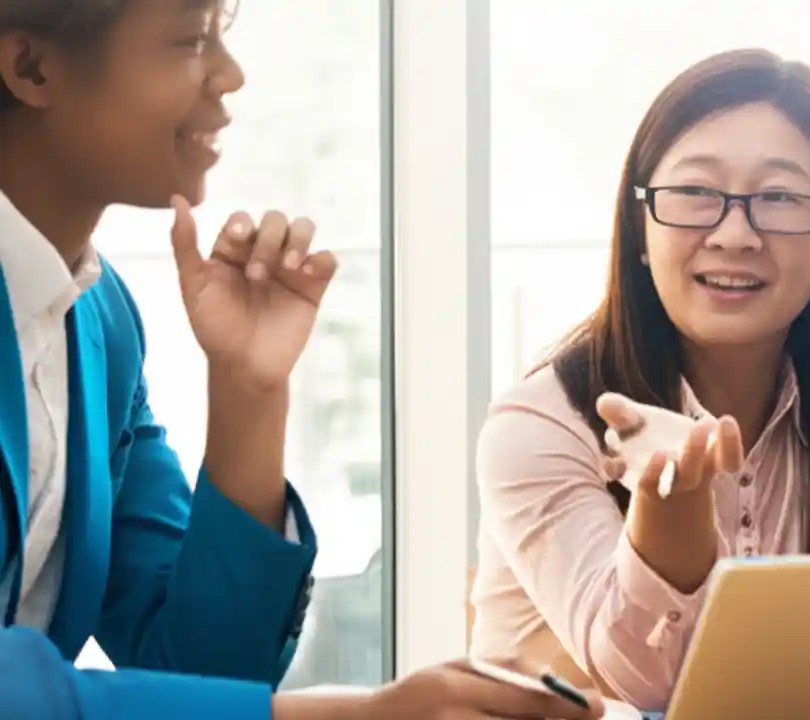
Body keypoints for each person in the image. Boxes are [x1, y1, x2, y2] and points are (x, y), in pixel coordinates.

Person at [0, 1, 603, 719]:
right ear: (32, 67)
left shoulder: (99, 320)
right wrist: (364, 714)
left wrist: (250, 388)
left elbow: (204, 667)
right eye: (192, 41)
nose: (230, 74)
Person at [470, 48, 810, 712]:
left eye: (779, 198)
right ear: (641, 226)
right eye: (696, 193)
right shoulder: (540, 425)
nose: (734, 233)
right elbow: (649, 686)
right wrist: (670, 527)